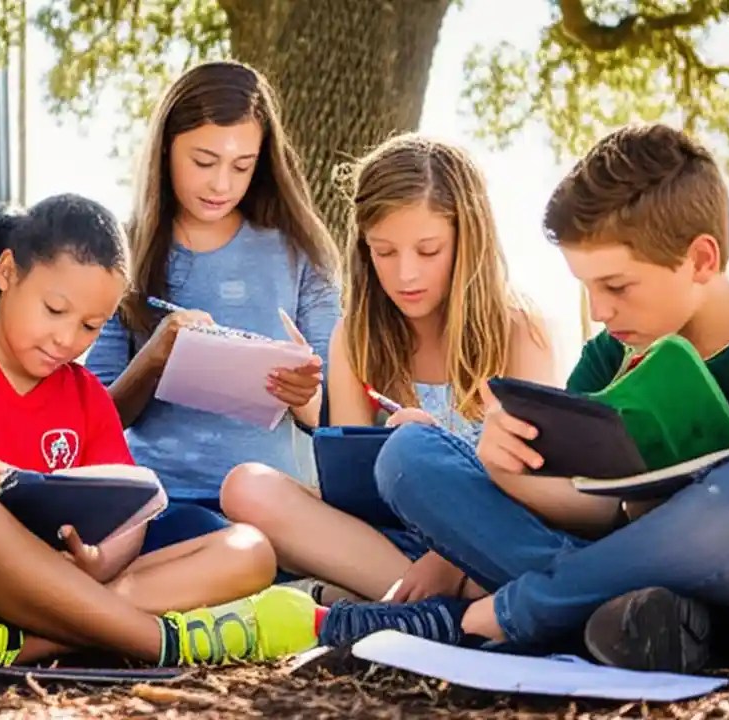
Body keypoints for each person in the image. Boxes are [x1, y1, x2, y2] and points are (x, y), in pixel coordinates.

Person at [313, 123, 729, 674]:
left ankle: (527, 610)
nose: (600, 312)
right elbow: (594, 511)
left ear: (701, 260)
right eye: (587, 288)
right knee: (410, 455)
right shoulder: (611, 354)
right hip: (626, 596)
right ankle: (621, 621)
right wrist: (510, 471)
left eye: (617, 286)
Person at [0, 193, 318, 669]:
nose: (67, 339)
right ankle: (161, 641)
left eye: (90, 326)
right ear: (7, 272)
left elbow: (129, 507)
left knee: (251, 550)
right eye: (54, 310)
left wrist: (101, 559)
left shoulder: (88, 396)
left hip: (55, 591)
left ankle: (16, 648)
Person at [221, 133, 554, 604]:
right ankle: (431, 601)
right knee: (246, 488)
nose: (406, 276)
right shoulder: (356, 337)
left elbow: (539, 486)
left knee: (527, 554)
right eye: (384, 252)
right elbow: (348, 493)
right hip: (385, 543)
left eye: (428, 250)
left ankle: (395, 598)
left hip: (487, 541)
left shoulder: (521, 331)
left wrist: (434, 456)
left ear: (468, 240)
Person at [84, 60, 341, 554]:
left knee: (246, 554)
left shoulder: (298, 253)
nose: (222, 184)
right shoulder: (125, 251)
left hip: (270, 507)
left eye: (242, 166)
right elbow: (94, 417)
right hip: (158, 504)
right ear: (165, 149)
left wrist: (302, 393)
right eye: (204, 161)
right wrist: (155, 357)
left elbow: (338, 419)